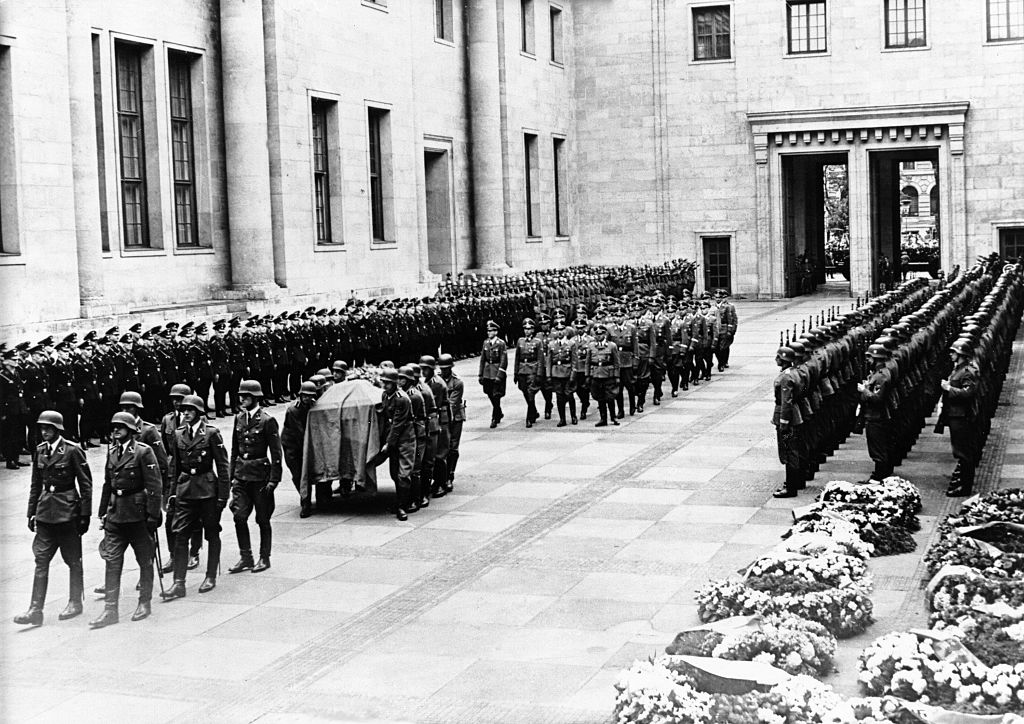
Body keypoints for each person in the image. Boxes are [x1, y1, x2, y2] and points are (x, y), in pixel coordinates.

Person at [13, 411, 92, 627]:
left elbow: (85, 485)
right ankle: (35, 609)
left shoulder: (72, 450)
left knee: (72, 559)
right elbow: (35, 484)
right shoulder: (40, 450)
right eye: (42, 428)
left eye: (48, 428)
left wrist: (85, 515)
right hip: (45, 512)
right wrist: (31, 512)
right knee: (41, 560)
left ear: (58, 429)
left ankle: (75, 602)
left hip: (67, 512)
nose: (44, 431)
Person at [89, 412, 162, 628]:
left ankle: (144, 602)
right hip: (115, 516)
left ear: (130, 430)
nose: (115, 430)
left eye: (120, 427)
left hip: (137, 515)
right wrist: (102, 512)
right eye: (113, 427)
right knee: (112, 561)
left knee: (145, 560)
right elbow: (107, 484)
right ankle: (110, 610)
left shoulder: (143, 452)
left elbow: (154, 485)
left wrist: (153, 515)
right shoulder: (112, 452)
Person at [161, 394, 229, 600]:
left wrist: (223, 497)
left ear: (199, 412)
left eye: (190, 410)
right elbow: (175, 467)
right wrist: (172, 494)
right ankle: (178, 583)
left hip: (207, 490)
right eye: (184, 410)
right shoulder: (178, 434)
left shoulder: (211, 433)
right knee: (181, 534)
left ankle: (210, 576)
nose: (186, 414)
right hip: (185, 491)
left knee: (211, 533)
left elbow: (223, 466)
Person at [228, 380, 283, 574]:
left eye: (246, 396)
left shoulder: (267, 421)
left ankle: (264, 557)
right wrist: (231, 476)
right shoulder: (238, 418)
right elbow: (234, 449)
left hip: (260, 477)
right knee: (239, 516)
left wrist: (274, 480)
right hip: (241, 475)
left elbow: (276, 453)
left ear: (255, 398)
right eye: (241, 396)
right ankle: (246, 557)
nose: (242, 399)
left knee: (262, 519)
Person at [159, 384, 202, 574]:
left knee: (195, 517)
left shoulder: (198, 420)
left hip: (192, 474)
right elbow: (165, 448)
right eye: (174, 399)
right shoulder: (167, 420)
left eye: (180, 399)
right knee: (170, 517)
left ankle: (194, 552)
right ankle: (173, 554)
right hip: (173, 474)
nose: (177, 402)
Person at [938, 339, 980, 497]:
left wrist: (949, 388)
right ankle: (962, 482)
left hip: (961, 416)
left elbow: (968, 393)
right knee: (960, 451)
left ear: (961, 354)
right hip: (955, 414)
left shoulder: (967, 371)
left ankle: (965, 486)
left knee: (963, 452)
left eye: (953, 352)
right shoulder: (959, 369)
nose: (951, 354)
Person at [373, 368, 415, 521]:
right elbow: (386, 416)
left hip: (405, 439)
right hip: (393, 438)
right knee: (394, 472)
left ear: (395, 383)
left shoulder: (402, 399)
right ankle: (399, 501)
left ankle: (403, 506)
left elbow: (398, 424)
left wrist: (388, 444)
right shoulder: (385, 395)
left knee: (404, 474)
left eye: (388, 383)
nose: (385, 385)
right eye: (383, 382)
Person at [858, 344, 895, 482]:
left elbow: (878, 398)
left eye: (870, 357)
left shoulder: (881, 375)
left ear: (876, 358)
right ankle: (879, 475)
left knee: (877, 448)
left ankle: (879, 476)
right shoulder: (879, 373)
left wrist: (864, 390)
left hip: (876, 416)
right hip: (875, 415)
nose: (868, 360)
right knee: (878, 446)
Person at [771, 348, 805, 498]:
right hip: (795, 414)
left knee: (789, 452)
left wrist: (784, 423)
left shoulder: (786, 377)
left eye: (778, 357)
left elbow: (786, 402)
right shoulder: (794, 372)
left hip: (787, 417)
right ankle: (794, 483)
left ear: (784, 359)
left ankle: (791, 487)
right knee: (793, 450)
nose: (776, 359)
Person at [283, 381, 317, 518]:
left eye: (310, 396)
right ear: (300, 395)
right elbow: (299, 432)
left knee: (307, 474)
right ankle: (305, 501)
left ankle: (306, 499)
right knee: (298, 475)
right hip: (292, 446)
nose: (307, 398)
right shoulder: (293, 410)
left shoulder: (314, 407)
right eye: (305, 396)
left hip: (305, 443)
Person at [438, 353, 464, 491]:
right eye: (442, 368)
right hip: (441, 417)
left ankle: (449, 476)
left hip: (455, 417)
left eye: (446, 368)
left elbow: (453, 403)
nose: (444, 371)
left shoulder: (457, 382)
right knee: (442, 448)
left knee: (453, 447)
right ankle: (441, 477)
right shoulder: (437, 380)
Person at [586, 323, 620, 427]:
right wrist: (587, 375)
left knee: (610, 397)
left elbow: (616, 362)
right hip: (596, 374)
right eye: (597, 334)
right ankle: (603, 418)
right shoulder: (591, 346)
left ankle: (613, 417)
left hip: (608, 374)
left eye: (601, 334)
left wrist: (617, 376)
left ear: (605, 334)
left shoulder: (612, 346)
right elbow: (588, 362)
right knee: (600, 398)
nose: (598, 336)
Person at [514, 318, 544, 428]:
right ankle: (534, 411)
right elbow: (517, 358)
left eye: (529, 329)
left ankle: (529, 418)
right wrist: (515, 373)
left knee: (531, 393)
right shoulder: (520, 341)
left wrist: (539, 374)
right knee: (525, 392)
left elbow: (540, 359)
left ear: (533, 330)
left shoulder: (537, 342)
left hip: (532, 369)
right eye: (525, 329)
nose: (527, 331)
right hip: (522, 370)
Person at [546, 325, 577, 426]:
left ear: (566, 331)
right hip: (556, 374)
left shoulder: (571, 344)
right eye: (557, 330)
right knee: (559, 397)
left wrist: (573, 375)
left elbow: (574, 361)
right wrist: (548, 375)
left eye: (562, 330)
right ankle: (562, 419)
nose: (560, 332)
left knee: (569, 395)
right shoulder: (551, 344)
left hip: (567, 373)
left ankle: (573, 416)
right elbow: (549, 361)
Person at [479, 320, 507, 428]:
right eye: (488, 331)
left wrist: (500, 374)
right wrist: (480, 374)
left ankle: (494, 417)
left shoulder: (501, 343)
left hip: (496, 371)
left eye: (491, 331)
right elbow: (482, 359)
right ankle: (499, 412)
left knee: (496, 395)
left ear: (496, 332)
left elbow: (503, 360)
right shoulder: (485, 343)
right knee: (489, 393)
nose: (489, 333)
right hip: (487, 372)